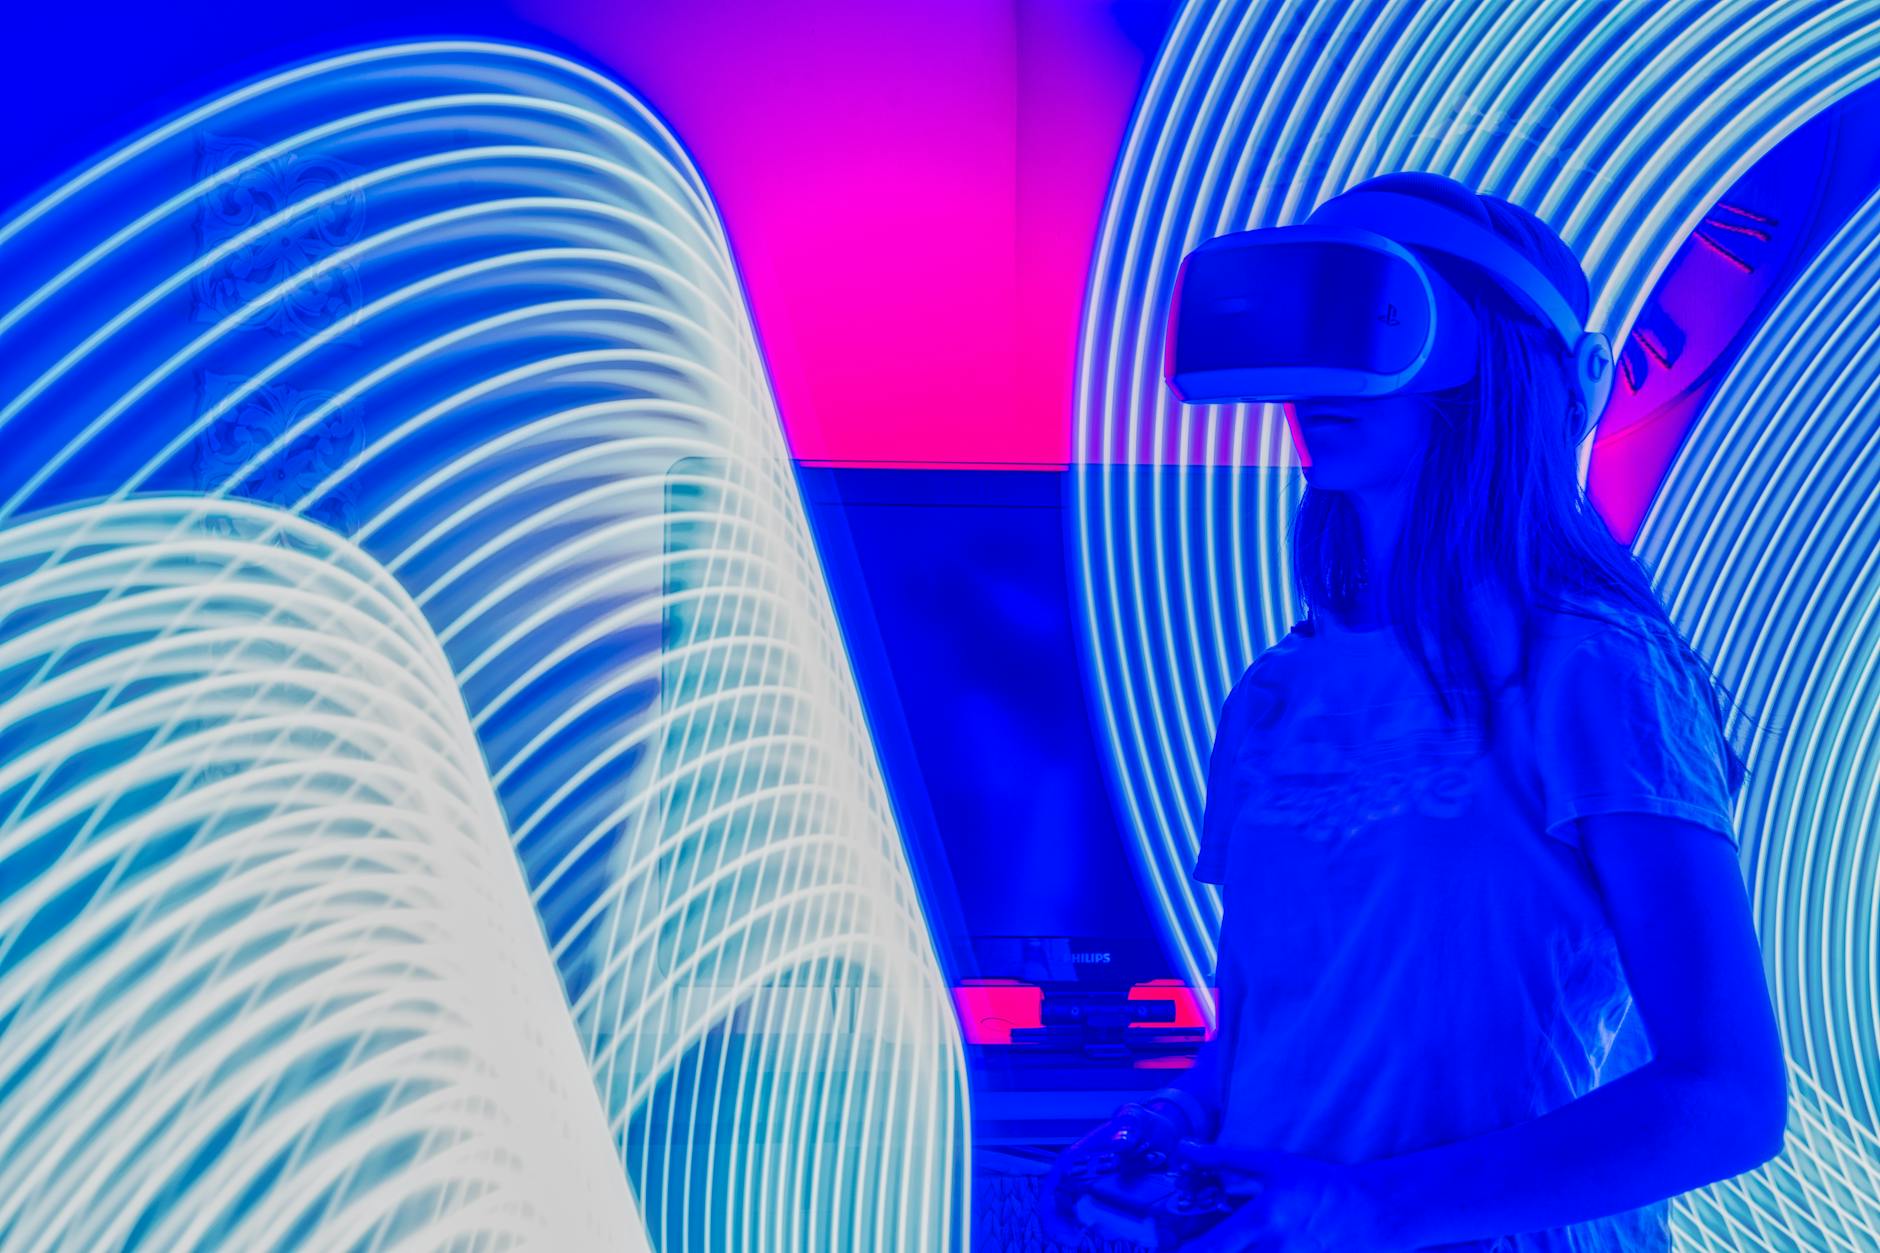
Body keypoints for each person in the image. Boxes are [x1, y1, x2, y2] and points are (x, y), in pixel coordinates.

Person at [1039, 171, 1789, 1251]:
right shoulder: (1273, 693)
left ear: (1497, 358)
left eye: (1365, 323)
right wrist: (1162, 1125)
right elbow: (1268, 1031)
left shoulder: (1591, 670)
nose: (1314, 376)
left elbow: (1725, 1097)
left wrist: (1363, 1206)